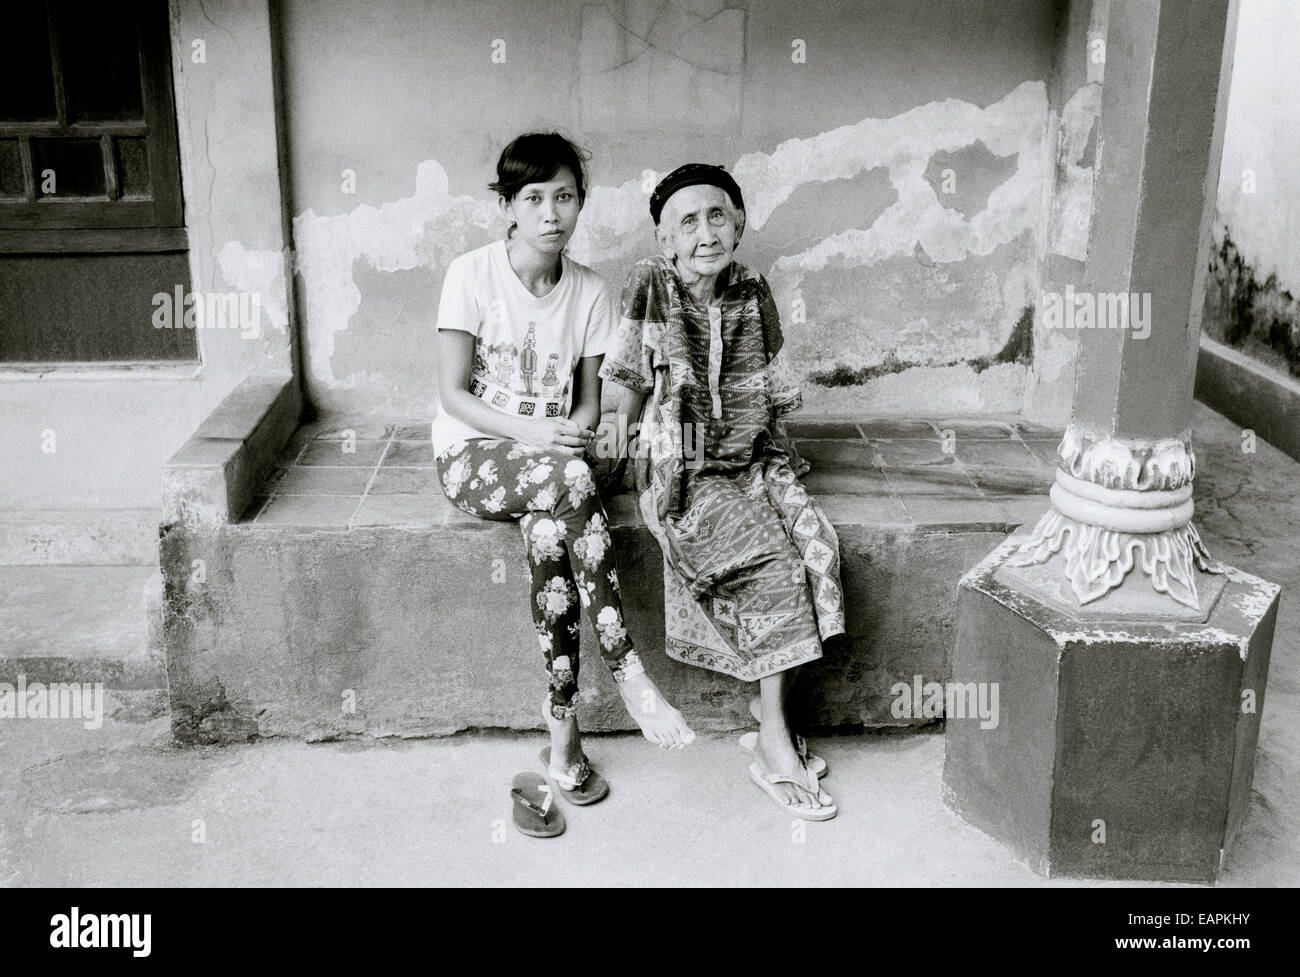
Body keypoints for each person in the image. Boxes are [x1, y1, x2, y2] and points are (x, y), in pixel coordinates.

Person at [433, 134, 695, 830]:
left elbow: (587, 399)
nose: (552, 213)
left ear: (580, 202)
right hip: (474, 457)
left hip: (555, 467)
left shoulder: (590, 291)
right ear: (509, 208)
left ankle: (562, 733)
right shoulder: (472, 274)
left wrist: (572, 431)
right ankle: (629, 671)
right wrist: (533, 436)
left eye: (565, 196)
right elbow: (454, 395)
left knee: (553, 526)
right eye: (534, 198)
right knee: (571, 482)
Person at [599, 164, 846, 820]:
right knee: (773, 561)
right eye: (688, 221)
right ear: (665, 236)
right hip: (681, 470)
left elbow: (762, 385)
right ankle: (772, 742)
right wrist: (610, 472)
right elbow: (623, 390)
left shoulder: (751, 290)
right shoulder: (651, 287)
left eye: (718, 216)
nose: (705, 231)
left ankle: (764, 716)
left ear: (738, 223)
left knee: (818, 544)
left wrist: (780, 457)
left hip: (751, 458)